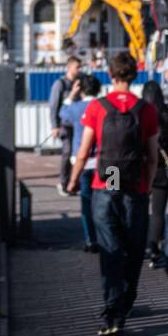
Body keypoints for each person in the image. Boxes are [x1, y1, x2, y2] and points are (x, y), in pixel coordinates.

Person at [67, 52, 160, 336]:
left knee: (110, 249)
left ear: (111, 74)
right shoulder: (146, 109)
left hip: (108, 181)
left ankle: (111, 310)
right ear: (134, 75)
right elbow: (153, 156)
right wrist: (148, 184)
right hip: (135, 184)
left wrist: (72, 181)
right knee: (133, 250)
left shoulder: (98, 107)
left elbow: (84, 152)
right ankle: (126, 302)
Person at [141, 79, 168, 266]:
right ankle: (154, 248)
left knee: (140, 210)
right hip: (163, 169)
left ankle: (140, 245)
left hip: (142, 168)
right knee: (158, 212)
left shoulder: (139, 116)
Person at [60, 73, 101, 252]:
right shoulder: (103, 106)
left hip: (83, 162)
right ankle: (108, 236)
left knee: (86, 202)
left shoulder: (76, 107)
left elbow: (62, 113)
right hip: (109, 164)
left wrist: (71, 95)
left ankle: (90, 240)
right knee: (111, 197)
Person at [49, 55, 82, 194]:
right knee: (67, 151)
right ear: (69, 67)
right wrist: (54, 125)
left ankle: (73, 183)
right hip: (64, 124)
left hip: (77, 124)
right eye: (77, 67)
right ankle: (63, 182)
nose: (79, 70)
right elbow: (54, 105)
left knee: (76, 153)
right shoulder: (60, 84)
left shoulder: (80, 83)